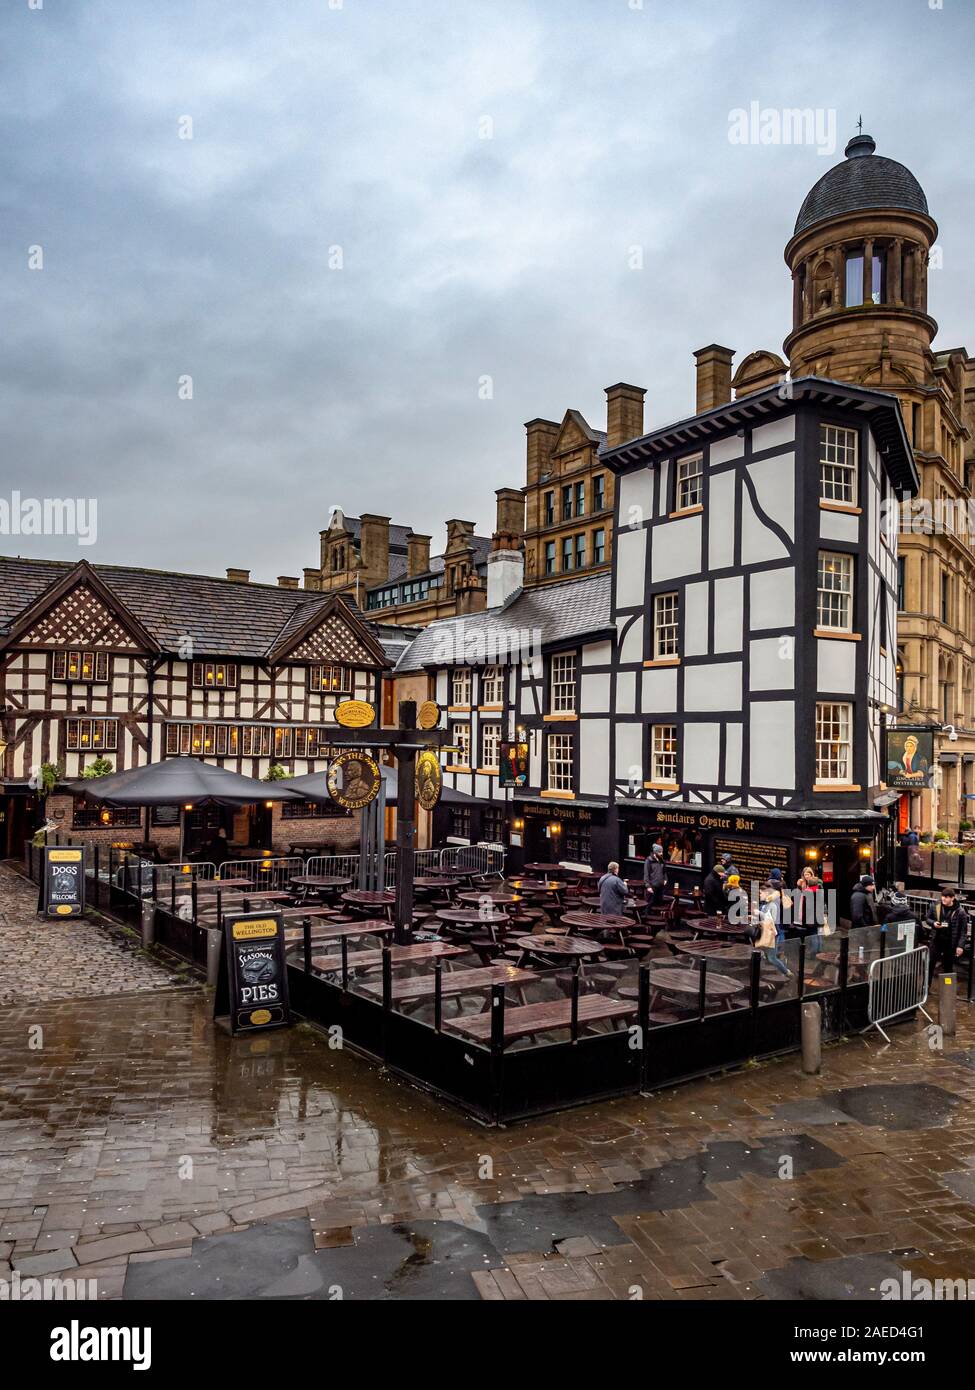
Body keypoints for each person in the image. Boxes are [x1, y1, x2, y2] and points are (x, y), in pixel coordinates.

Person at [925, 887, 969, 981]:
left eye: (947, 897)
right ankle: (926, 987)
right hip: (936, 940)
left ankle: (947, 991)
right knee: (930, 964)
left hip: (950, 944)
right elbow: (927, 918)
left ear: (952, 898)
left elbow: (963, 931)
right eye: (943, 896)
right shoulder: (936, 905)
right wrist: (933, 923)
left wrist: (960, 946)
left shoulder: (960, 912)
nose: (944, 899)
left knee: (948, 968)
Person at [643, 842, 667, 907]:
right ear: (655, 852)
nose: (661, 853)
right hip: (653, 886)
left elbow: (664, 871)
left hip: (661, 886)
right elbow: (646, 874)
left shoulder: (662, 860)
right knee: (649, 904)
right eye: (659, 852)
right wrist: (648, 886)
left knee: (659, 903)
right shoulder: (649, 861)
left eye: (662, 852)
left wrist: (665, 879)